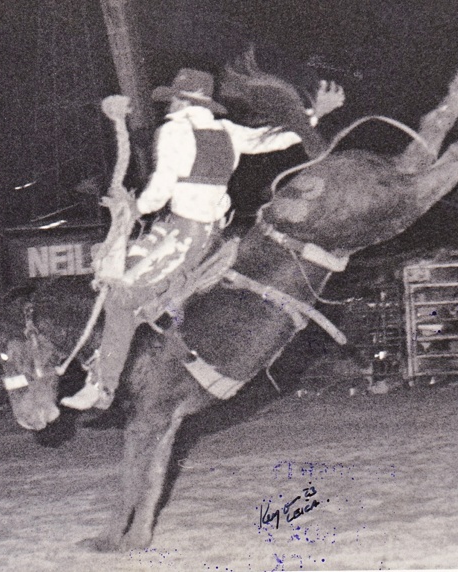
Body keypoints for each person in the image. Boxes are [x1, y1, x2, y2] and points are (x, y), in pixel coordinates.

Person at [61, 68, 341, 411]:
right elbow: (274, 140)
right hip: (209, 232)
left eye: (172, 101)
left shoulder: (175, 131)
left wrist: (131, 207)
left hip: (181, 235)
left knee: (119, 296)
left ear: (181, 101)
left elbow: (161, 189)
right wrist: (313, 116)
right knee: (129, 289)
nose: (168, 108)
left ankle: (103, 386)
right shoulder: (227, 131)